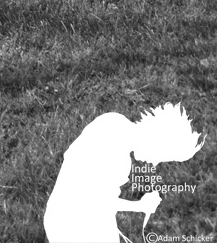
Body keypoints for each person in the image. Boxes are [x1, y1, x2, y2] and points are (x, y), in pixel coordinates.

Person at [44, 102, 204, 243]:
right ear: (158, 141)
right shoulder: (117, 156)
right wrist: (140, 206)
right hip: (73, 224)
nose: (154, 163)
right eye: (161, 156)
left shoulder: (113, 120)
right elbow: (95, 201)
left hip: (71, 216)